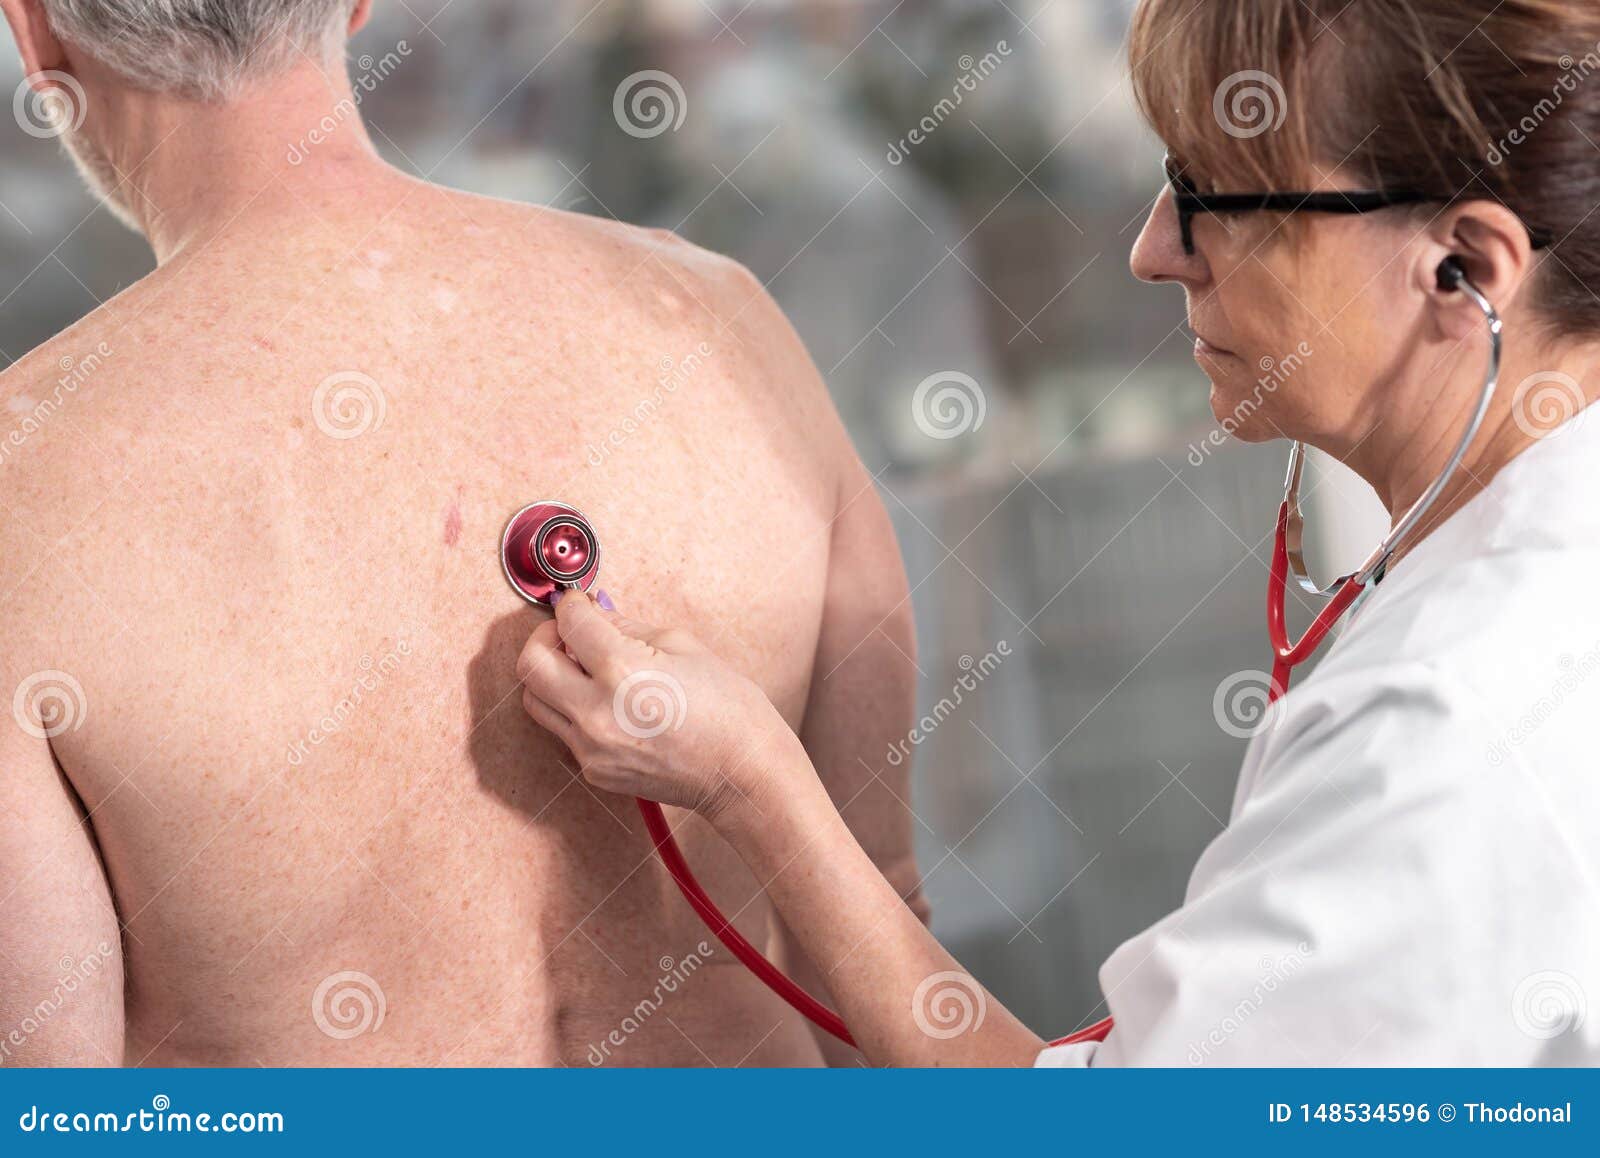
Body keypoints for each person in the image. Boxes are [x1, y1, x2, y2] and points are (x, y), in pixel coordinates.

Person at [518, 0, 1600, 1066]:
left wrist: (750, 783)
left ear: (1464, 267)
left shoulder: (1446, 723)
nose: (1152, 251)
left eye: (1209, 197)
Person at [0, 0, 925, 1065]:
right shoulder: (721, 323)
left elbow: (58, 1104)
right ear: (353, 5)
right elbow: (882, 965)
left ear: (36, 36)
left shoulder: (24, 491)